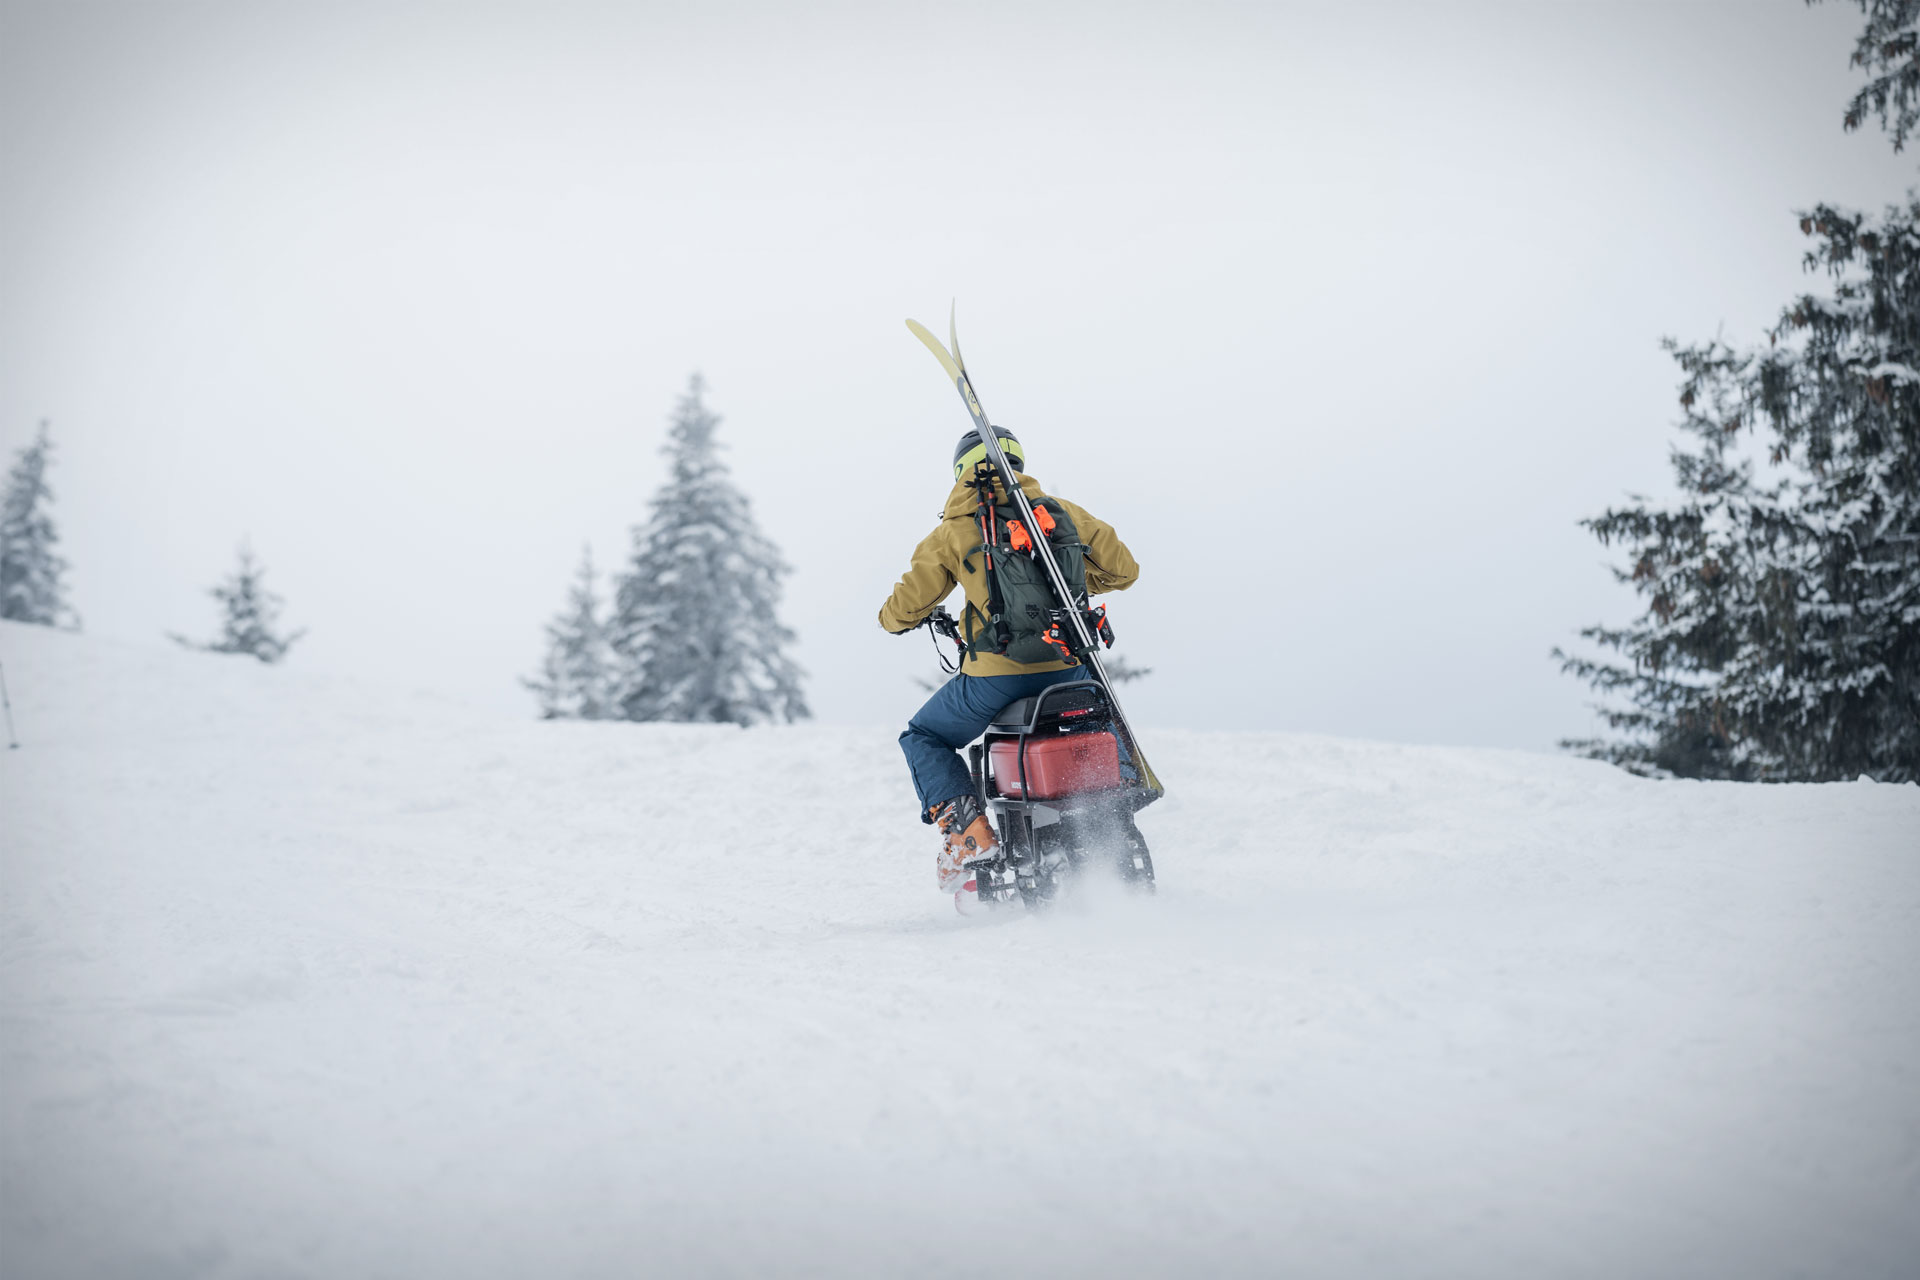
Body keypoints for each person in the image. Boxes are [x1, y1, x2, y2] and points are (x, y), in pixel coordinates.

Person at [879, 426, 1139, 899]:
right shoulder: (1060, 512)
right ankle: (1119, 786)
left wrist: (894, 619)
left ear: (960, 472)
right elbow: (1123, 570)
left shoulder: (954, 530)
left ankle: (968, 834)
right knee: (1099, 712)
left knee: (924, 736)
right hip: (1068, 666)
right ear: (1017, 462)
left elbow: (904, 609)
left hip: (994, 678)